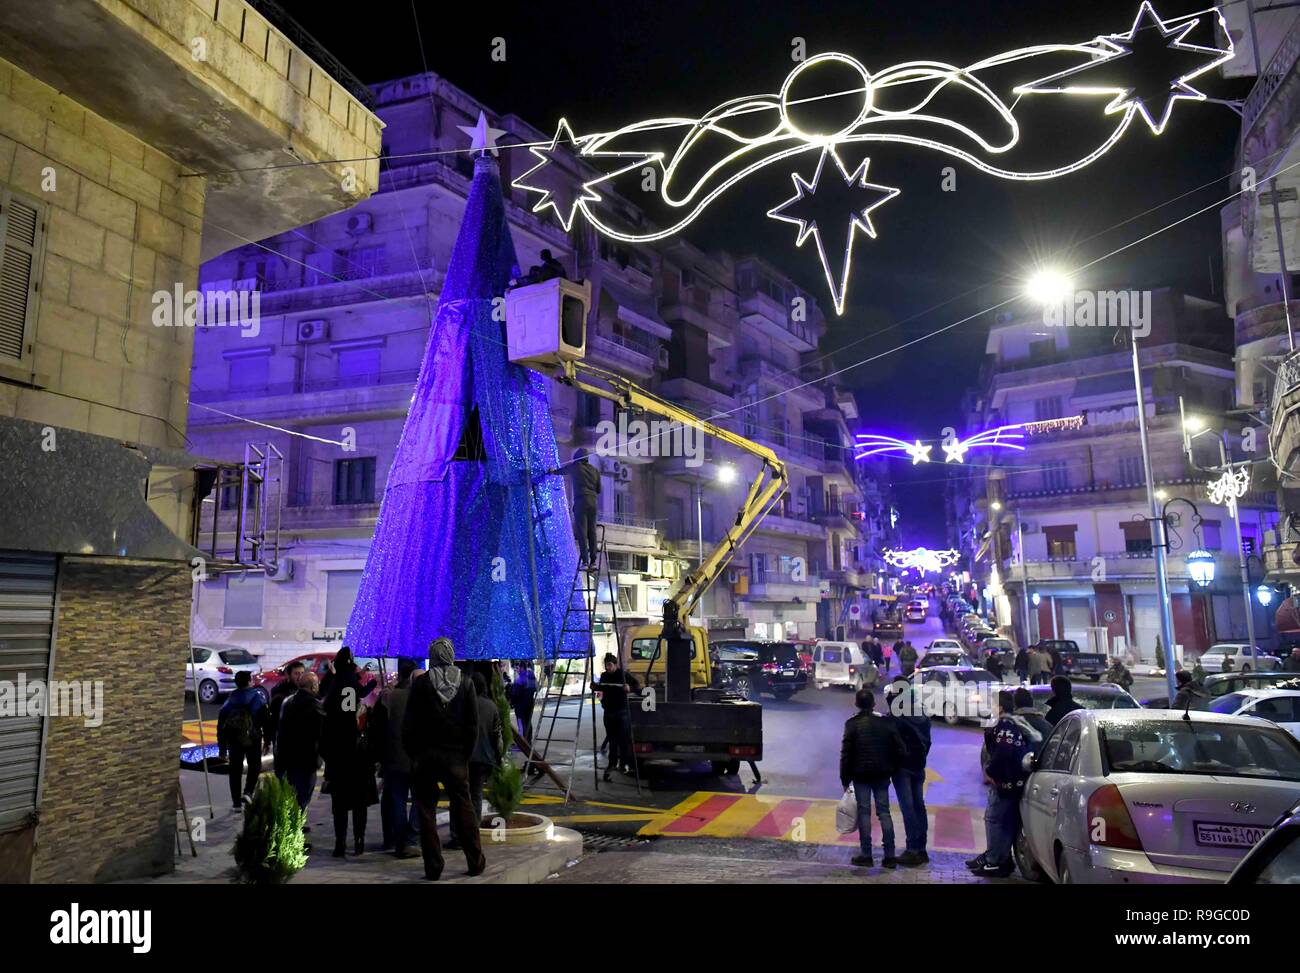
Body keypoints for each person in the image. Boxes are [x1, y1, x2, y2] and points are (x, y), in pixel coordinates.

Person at [404, 637, 485, 880]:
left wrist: (414, 755)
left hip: (426, 758)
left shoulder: (420, 684)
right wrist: (464, 757)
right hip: (456, 759)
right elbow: (473, 725)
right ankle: (475, 862)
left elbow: (409, 725)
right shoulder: (467, 683)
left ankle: (433, 868)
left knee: (426, 812)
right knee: (464, 808)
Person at [319, 647, 379, 857]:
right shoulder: (352, 686)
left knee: (340, 803)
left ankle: (340, 843)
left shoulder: (334, 687)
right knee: (359, 801)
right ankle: (359, 842)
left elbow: (325, 727)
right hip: (356, 755)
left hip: (337, 756)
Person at [839, 687, 905, 869]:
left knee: (864, 813)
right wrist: (892, 767)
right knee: (884, 813)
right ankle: (890, 856)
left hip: (860, 776)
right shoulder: (886, 722)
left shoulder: (851, 724)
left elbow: (846, 754)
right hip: (882, 774)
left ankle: (866, 855)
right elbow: (900, 748)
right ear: (874, 704)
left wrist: (845, 779)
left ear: (857, 704)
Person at [972, 689, 1034, 878]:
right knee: (1003, 822)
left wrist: (991, 772)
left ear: (999, 707)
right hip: (1012, 782)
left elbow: (1004, 753)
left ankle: (995, 861)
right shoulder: (1011, 723)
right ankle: (1000, 858)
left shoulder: (1005, 725)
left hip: (1006, 783)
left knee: (995, 821)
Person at [369, 657, 420, 857]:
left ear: (399, 675)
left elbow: (378, 730)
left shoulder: (388, 697)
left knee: (397, 800)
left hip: (394, 758)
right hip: (417, 758)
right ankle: (411, 838)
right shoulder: (420, 697)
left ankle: (400, 840)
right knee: (419, 799)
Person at [448, 672, 503, 850]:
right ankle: (473, 833)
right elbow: (497, 737)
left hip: (463, 757)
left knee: (458, 796)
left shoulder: (460, 704)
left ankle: (457, 836)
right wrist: (498, 758)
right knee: (476, 795)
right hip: (483, 759)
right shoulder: (491, 706)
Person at [882, 680, 932, 866]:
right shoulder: (922, 714)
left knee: (908, 808)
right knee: (919, 806)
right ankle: (922, 849)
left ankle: (912, 849)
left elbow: (890, 740)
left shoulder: (897, 715)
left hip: (902, 768)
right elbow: (928, 741)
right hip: (919, 766)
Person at [276, 671, 324, 822]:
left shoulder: (288, 702)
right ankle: (296, 829)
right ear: (313, 686)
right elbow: (321, 732)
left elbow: (281, 730)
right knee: (303, 795)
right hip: (307, 758)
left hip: (288, 756)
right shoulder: (315, 706)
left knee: (292, 794)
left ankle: (295, 825)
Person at [216, 670, 267, 811]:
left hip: (234, 740)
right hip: (253, 738)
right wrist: (268, 740)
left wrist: (222, 748)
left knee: (235, 770)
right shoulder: (258, 698)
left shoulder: (230, 699)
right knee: (255, 765)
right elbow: (266, 719)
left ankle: (236, 804)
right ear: (249, 681)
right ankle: (248, 791)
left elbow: (221, 725)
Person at [594, 652, 639, 780]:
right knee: (612, 741)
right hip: (609, 712)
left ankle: (624, 764)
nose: (607, 668)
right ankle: (612, 764)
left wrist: (628, 688)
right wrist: (595, 688)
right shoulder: (604, 676)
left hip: (622, 712)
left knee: (623, 740)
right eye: (605, 665)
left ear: (615, 665)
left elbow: (636, 685)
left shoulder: (623, 675)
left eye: (609, 665)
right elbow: (601, 689)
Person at [266, 660, 305, 771]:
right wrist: (268, 740)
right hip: (283, 740)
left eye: (302, 673)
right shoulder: (280, 694)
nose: (300, 676)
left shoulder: (302, 690)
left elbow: (319, 693)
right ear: (288, 675)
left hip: (297, 739)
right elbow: (273, 719)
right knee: (282, 771)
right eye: (297, 673)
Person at [570, 448, 601, 566]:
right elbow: (599, 489)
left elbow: (562, 470)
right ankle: (593, 560)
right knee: (592, 531)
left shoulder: (575, 467)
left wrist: (552, 471)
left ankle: (585, 560)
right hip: (593, 502)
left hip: (581, 501)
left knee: (582, 531)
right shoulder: (595, 470)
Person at [511, 662, 538, 750]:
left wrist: (511, 701)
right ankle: (528, 742)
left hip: (520, 705)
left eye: (517, 667)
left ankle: (522, 745)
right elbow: (536, 688)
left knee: (521, 724)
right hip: (530, 703)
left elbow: (515, 694)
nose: (516, 669)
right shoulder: (532, 676)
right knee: (528, 723)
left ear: (522, 667)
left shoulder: (520, 679)